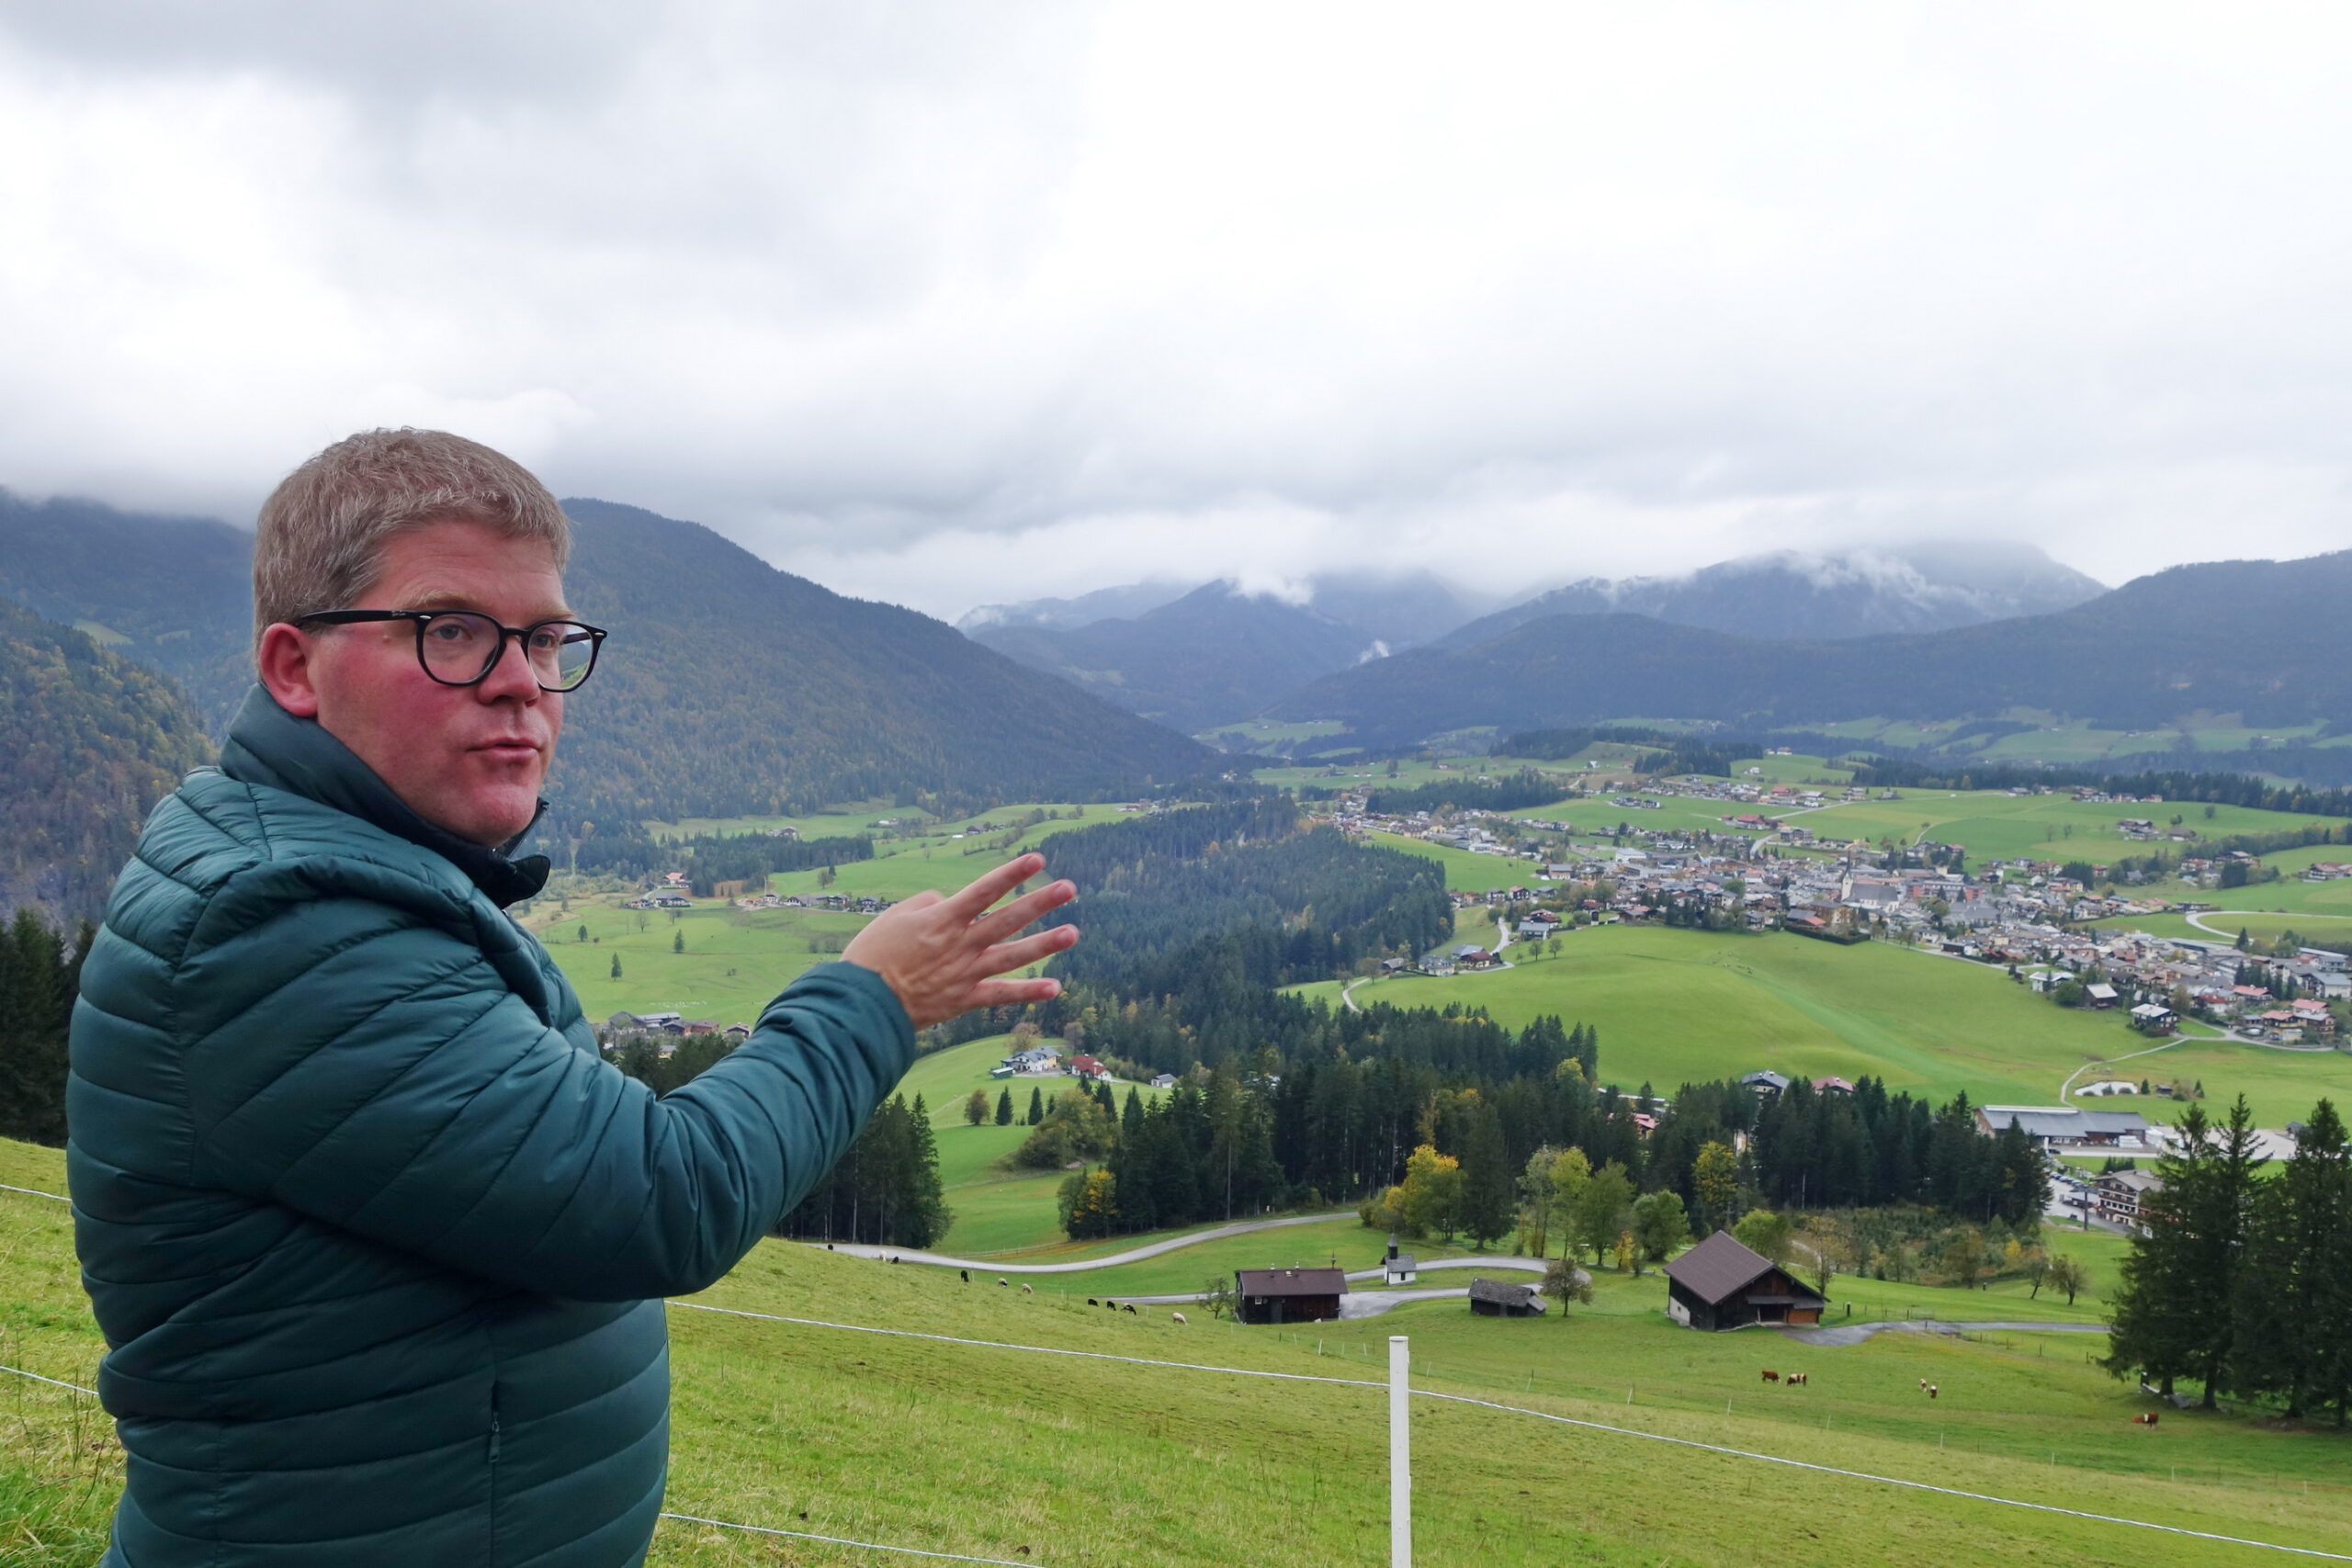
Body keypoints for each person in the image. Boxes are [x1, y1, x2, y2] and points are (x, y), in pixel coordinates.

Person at [66, 429, 1077, 1567]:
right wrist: (872, 999)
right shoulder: (279, 924)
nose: (519, 682)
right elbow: (662, 1198)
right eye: (450, 630)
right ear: (295, 667)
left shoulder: (343, 868)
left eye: (545, 639)